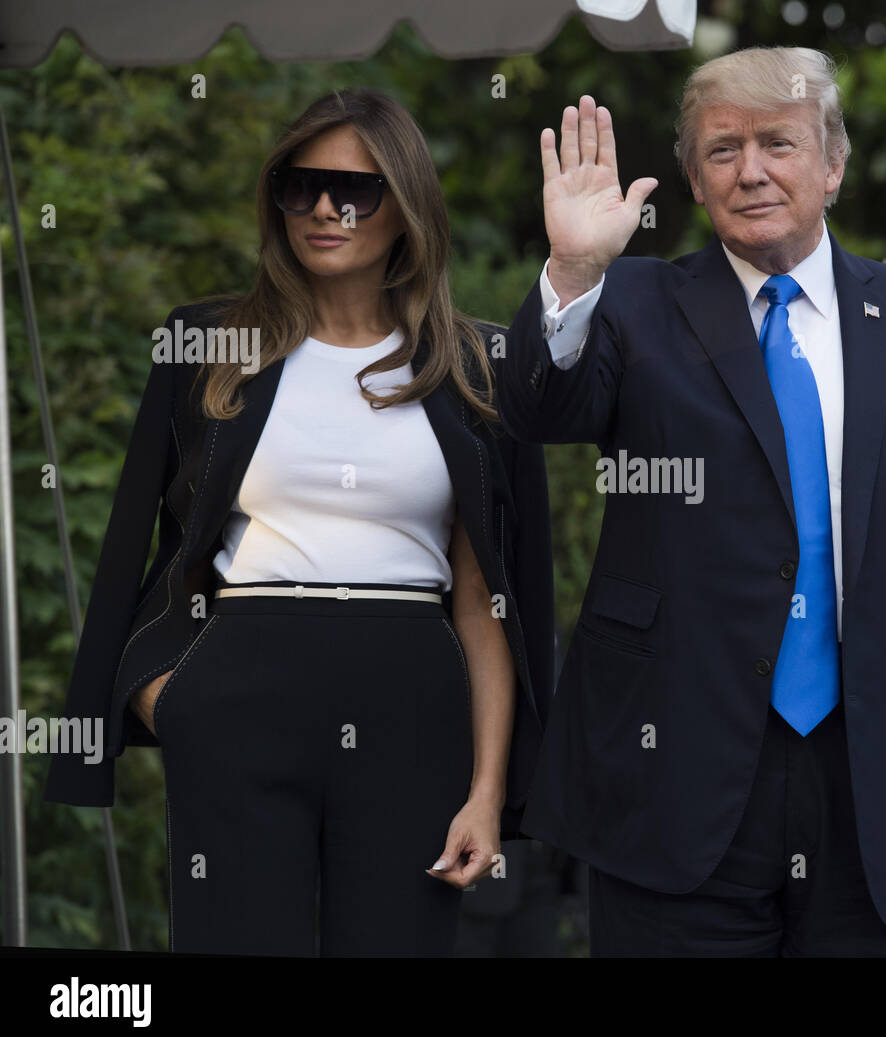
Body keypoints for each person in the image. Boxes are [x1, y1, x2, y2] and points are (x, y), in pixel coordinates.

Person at [496, 47, 886, 957]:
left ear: (832, 164)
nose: (751, 170)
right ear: (691, 177)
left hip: (880, 778)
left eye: (779, 144)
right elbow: (537, 407)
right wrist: (569, 272)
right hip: (669, 779)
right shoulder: (632, 301)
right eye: (722, 150)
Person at [43, 88, 554, 957]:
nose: (324, 208)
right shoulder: (208, 347)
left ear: (407, 208)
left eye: (355, 190)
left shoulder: (476, 365)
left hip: (414, 710)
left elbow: (484, 599)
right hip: (240, 689)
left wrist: (487, 791)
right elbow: (139, 544)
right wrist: (171, 699)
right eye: (300, 185)